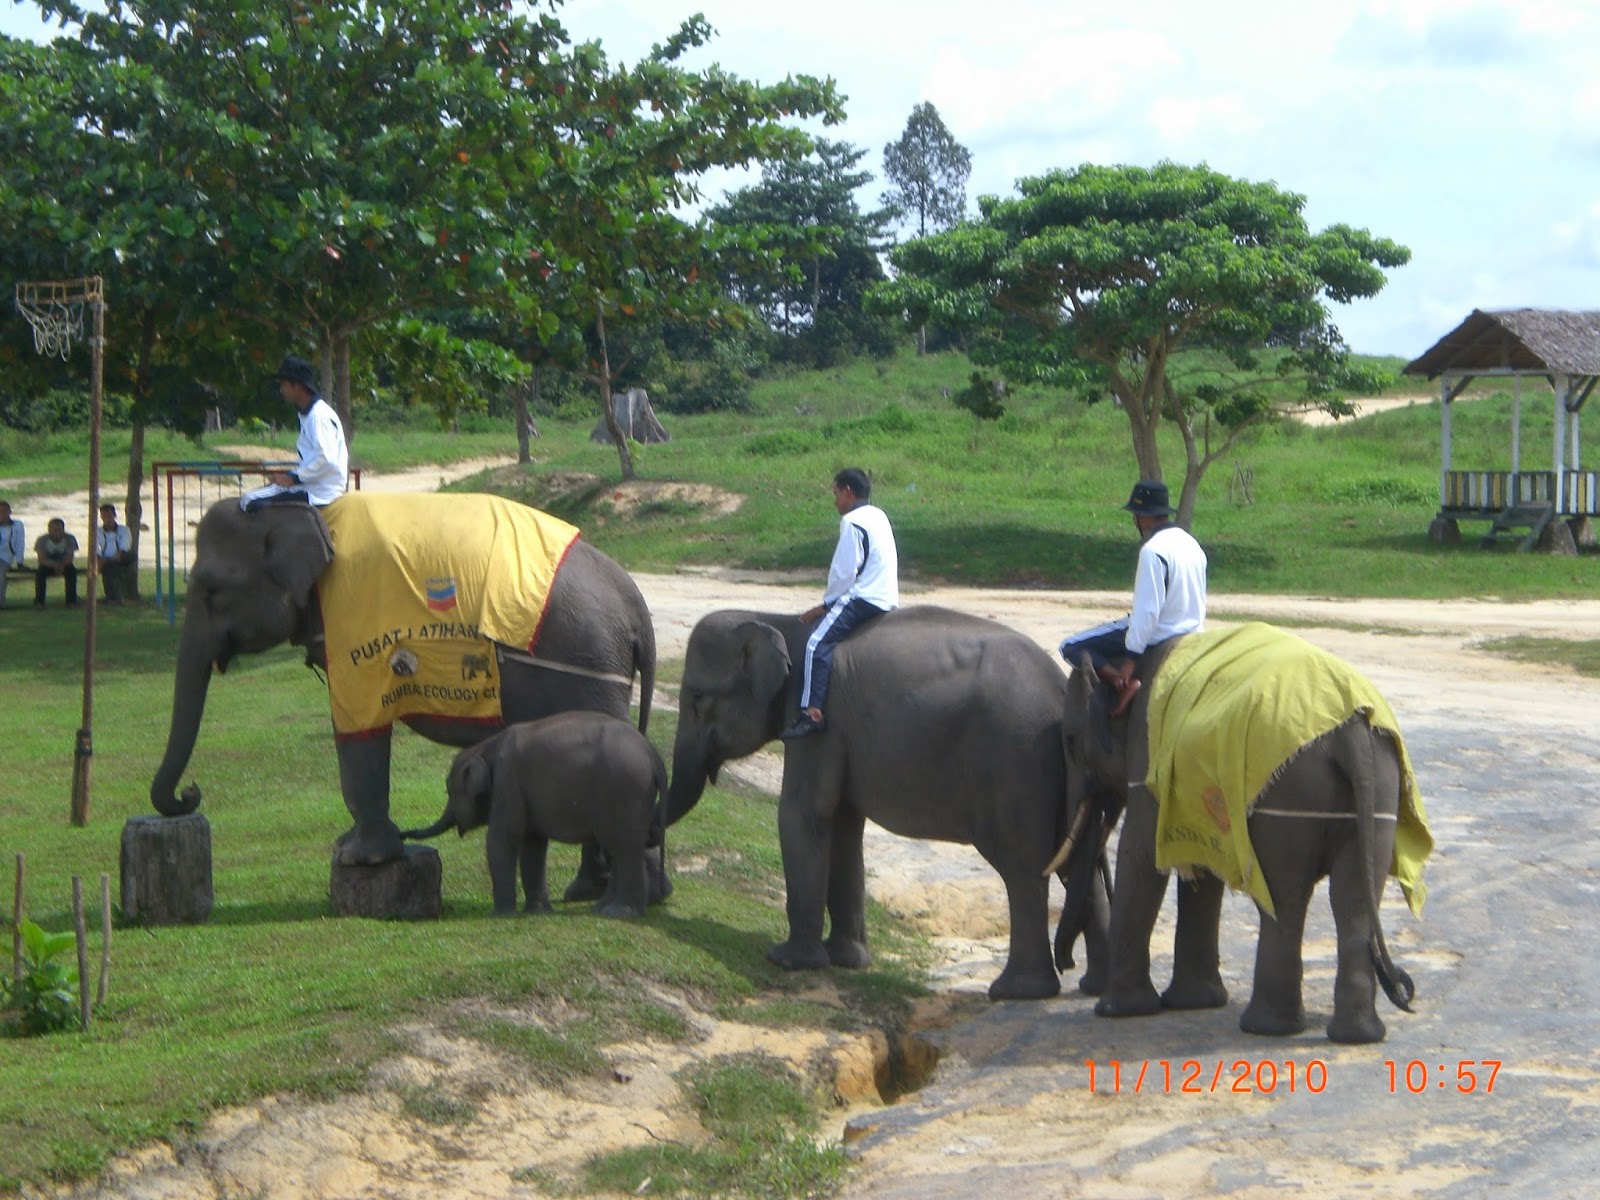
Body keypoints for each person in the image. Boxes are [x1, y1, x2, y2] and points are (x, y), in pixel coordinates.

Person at [1059, 480, 1207, 717]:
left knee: (1071, 646)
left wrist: (1130, 662)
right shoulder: (1192, 544)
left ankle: (1121, 683)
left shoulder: (1153, 551)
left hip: (1160, 633)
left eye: (1136, 515)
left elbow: (1147, 613)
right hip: (1191, 630)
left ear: (1143, 517)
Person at [780, 467, 899, 739]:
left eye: (836, 494)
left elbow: (845, 572)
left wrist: (826, 605)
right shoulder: (878, 515)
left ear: (848, 491)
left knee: (816, 643)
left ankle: (812, 712)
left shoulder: (852, 521)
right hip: (887, 596)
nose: (835, 501)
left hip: (863, 596)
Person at [239, 354, 349, 511]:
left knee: (249, 500)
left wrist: (293, 478)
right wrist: (290, 475)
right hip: (316, 486)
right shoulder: (310, 414)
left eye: (283, 385)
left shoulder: (318, 416)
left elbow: (326, 459)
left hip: (319, 491)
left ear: (297, 385)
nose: (281, 390)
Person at [34, 517, 80, 609]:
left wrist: (61, 565)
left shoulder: (70, 538)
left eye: (60, 529)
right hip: (47, 565)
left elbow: (70, 557)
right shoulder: (42, 540)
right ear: (49, 529)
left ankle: (71, 601)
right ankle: (39, 602)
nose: (57, 532)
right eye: (54, 530)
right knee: (40, 573)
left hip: (64, 564)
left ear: (63, 529)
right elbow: (42, 559)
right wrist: (54, 565)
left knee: (71, 572)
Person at [96, 503, 135, 604]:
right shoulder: (98, 531)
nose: (107, 519)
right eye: (104, 516)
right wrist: (101, 560)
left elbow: (123, 548)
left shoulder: (124, 530)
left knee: (131, 555)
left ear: (114, 515)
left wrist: (110, 559)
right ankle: (113, 598)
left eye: (109, 516)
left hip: (121, 557)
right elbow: (96, 549)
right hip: (105, 559)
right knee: (110, 568)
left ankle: (113, 598)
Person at [0, 500, 25, 609]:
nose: (2, 514)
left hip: (5, 558)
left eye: (4, 511)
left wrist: (19, 562)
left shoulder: (17, 525)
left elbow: (20, 543)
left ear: (10, 512)